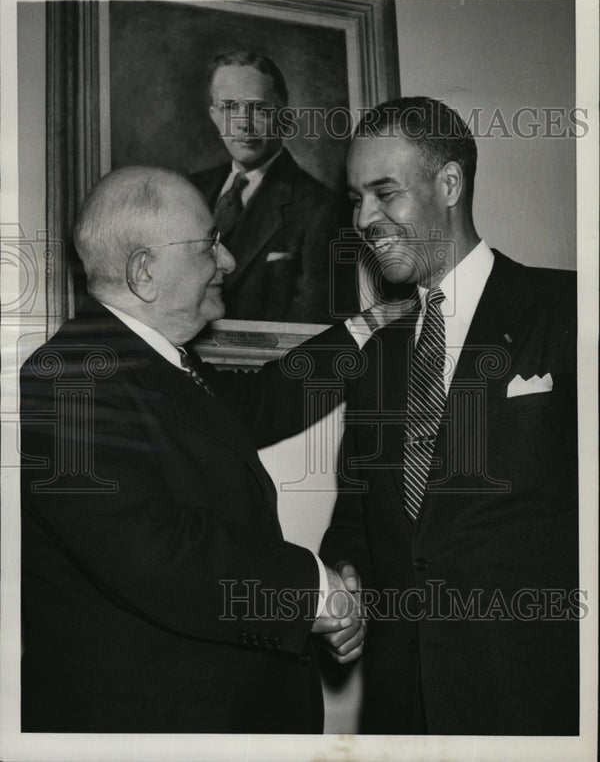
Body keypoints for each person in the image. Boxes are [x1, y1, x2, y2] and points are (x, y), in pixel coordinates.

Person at [20, 166, 373, 734]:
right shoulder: (67, 380)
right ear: (145, 271)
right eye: (211, 242)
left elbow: (254, 405)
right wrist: (315, 591)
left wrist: (367, 329)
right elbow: (157, 555)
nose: (229, 260)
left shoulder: (143, 361)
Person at [320, 97, 578, 735]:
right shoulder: (374, 357)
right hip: (402, 706)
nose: (365, 219)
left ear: (450, 184)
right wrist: (345, 577)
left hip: (538, 705)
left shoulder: (571, 310)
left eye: (385, 193)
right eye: (357, 199)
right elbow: (358, 521)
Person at [190, 51, 357, 323]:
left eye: (259, 108)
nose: (243, 123)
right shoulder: (192, 189)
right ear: (214, 116)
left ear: (285, 118)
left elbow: (316, 332)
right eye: (230, 107)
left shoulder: (321, 210)